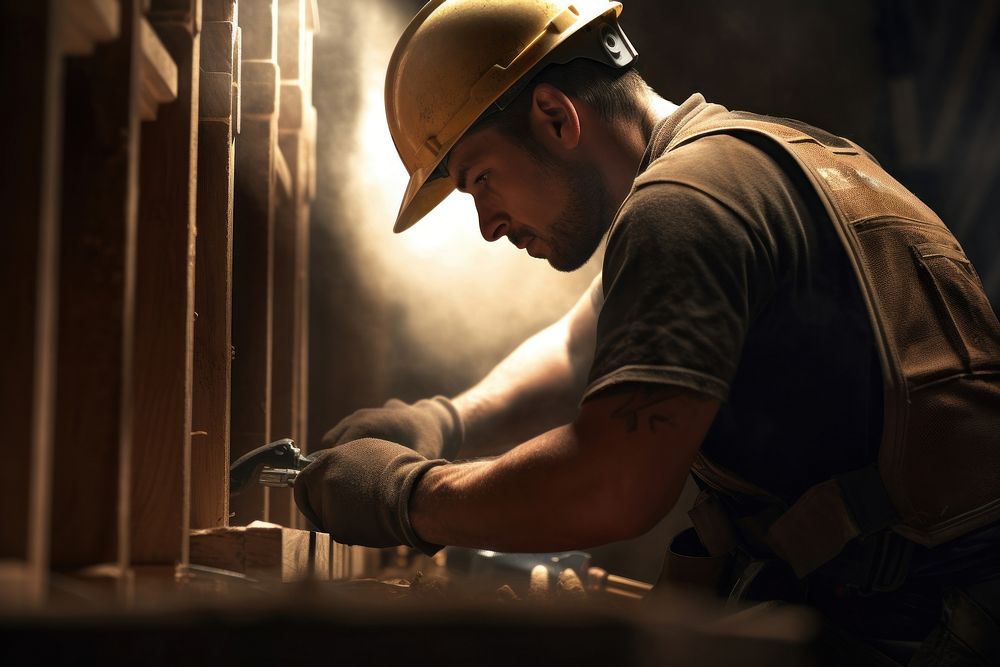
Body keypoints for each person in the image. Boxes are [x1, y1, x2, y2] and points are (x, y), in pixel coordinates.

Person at [294, 1, 1000, 662]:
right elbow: (584, 343)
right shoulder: (753, 158)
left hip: (928, 631)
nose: (489, 225)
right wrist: (441, 421)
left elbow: (613, 483)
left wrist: (408, 499)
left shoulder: (680, 206)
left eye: (481, 180)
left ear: (554, 116)